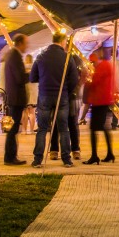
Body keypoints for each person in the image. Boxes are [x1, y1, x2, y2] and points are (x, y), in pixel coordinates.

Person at [29, 30, 79, 168]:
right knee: (63, 129)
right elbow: (75, 79)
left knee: (42, 129)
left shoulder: (40, 56)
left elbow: (32, 77)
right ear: (63, 41)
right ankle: (67, 159)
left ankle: (37, 160)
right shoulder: (68, 58)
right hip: (61, 96)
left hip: (44, 95)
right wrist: (66, 90)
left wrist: (44, 79)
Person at [0, 34, 29, 165]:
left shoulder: (11, 55)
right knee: (13, 129)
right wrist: (30, 74)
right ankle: (10, 157)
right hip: (16, 98)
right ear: (20, 43)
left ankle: (11, 156)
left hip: (14, 97)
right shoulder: (15, 56)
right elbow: (19, 78)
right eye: (26, 43)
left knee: (13, 128)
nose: (27, 46)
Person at [85, 47, 118, 164]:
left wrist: (87, 79)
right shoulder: (106, 65)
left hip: (100, 100)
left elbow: (95, 82)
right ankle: (109, 153)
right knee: (103, 127)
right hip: (103, 100)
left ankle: (95, 156)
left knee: (94, 129)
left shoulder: (103, 66)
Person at [23, 54, 37, 133]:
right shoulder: (35, 67)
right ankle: (31, 130)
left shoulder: (23, 68)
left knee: (25, 111)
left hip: (25, 91)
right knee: (32, 112)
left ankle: (24, 130)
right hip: (34, 92)